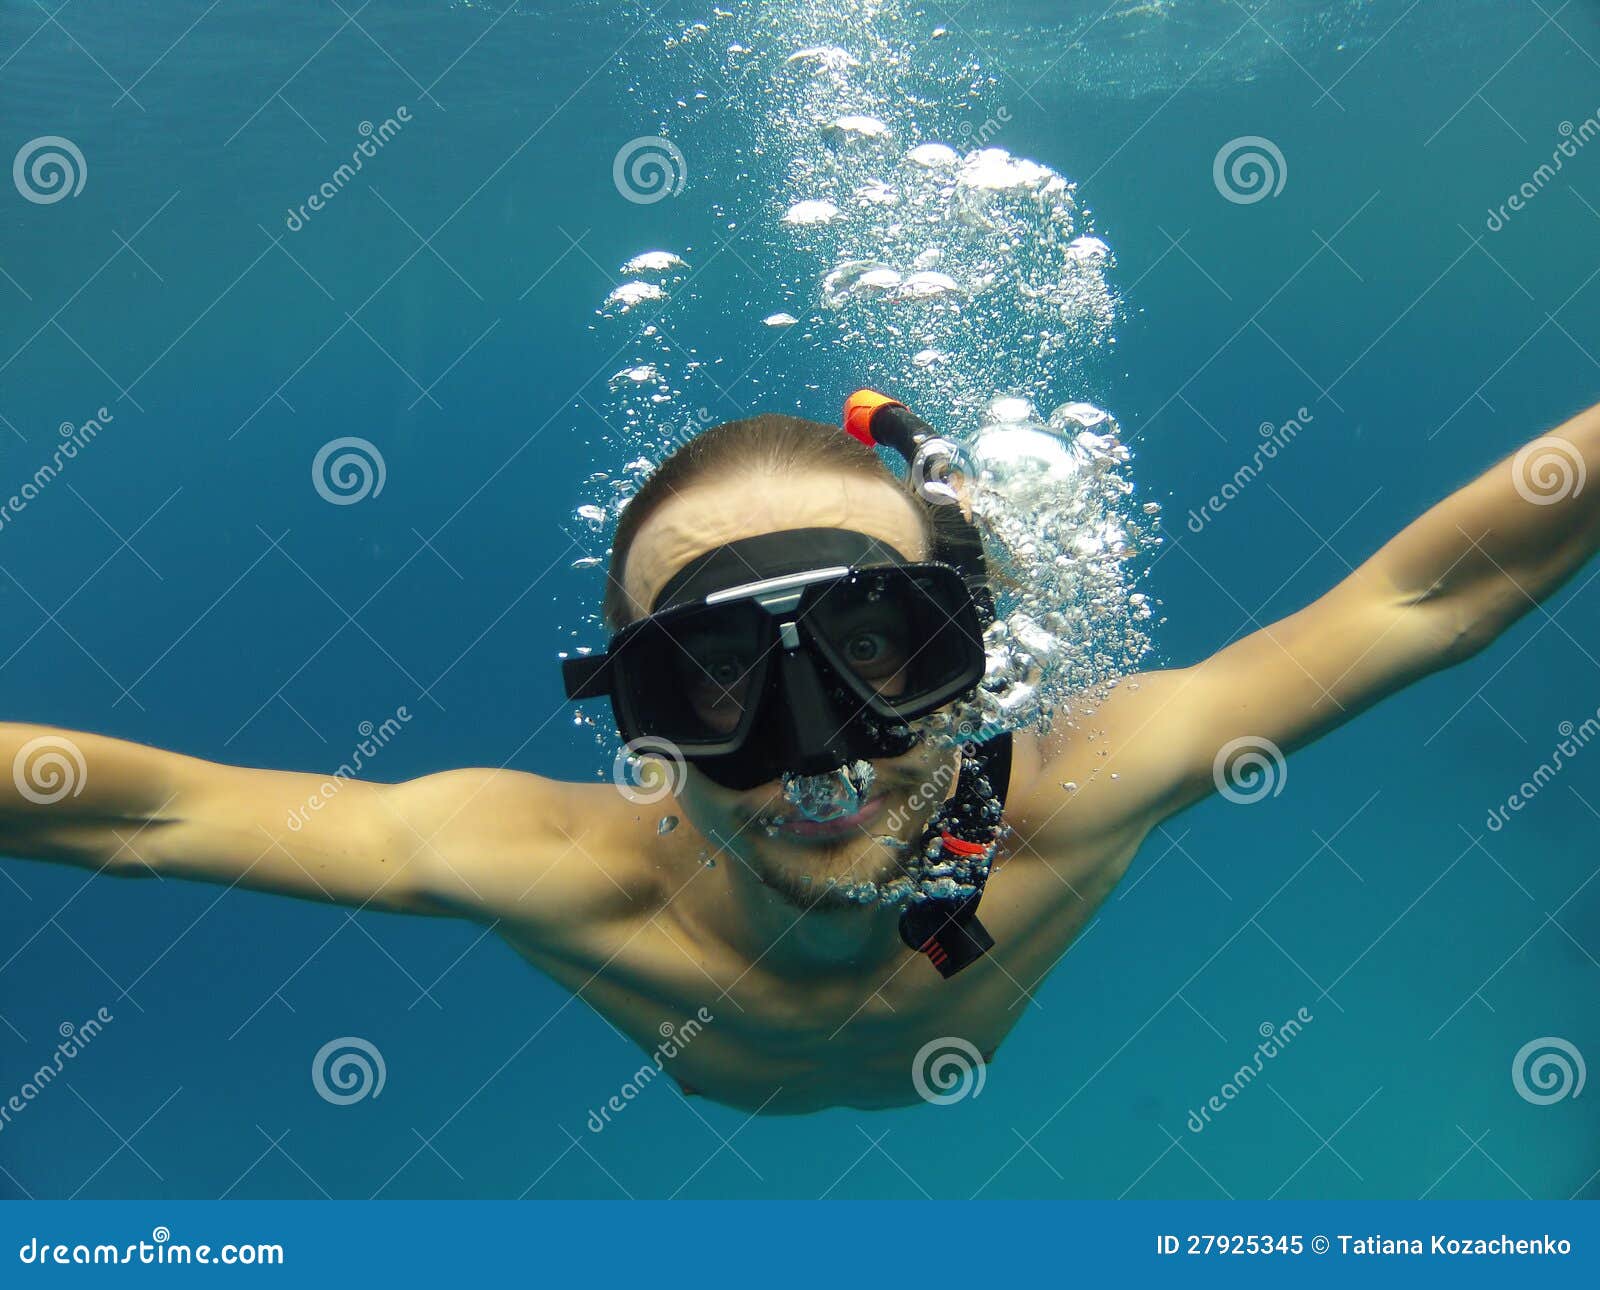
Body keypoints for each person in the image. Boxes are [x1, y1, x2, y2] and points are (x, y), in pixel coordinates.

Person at [3, 391, 1598, 1114]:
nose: (812, 754)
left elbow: (1427, 595)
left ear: (976, 651)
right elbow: (139, 813)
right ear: (633, 713)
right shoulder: (548, 866)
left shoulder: (1092, 776)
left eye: (878, 650)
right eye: (711, 681)